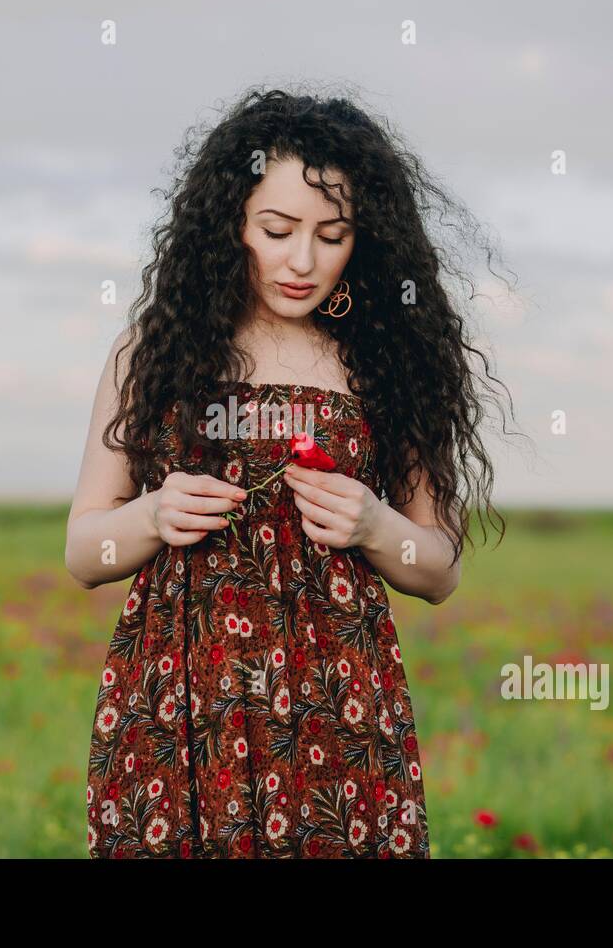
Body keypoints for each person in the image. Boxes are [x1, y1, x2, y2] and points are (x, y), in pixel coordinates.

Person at [66, 87, 515, 858]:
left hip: (334, 706)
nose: (302, 260)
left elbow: (438, 570)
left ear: (363, 240)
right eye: (276, 230)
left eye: (332, 235)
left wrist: (376, 525)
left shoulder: (388, 360)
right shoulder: (153, 351)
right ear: (230, 222)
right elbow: (83, 552)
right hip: (180, 706)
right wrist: (152, 515)